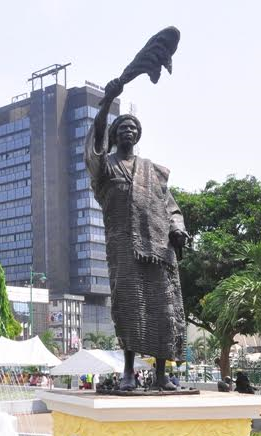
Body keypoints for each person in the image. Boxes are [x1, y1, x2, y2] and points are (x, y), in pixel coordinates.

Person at [86, 89, 188, 392]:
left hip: (158, 248)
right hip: (123, 246)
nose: (128, 130)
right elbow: (94, 143)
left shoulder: (153, 172)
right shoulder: (105, 169)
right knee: (130, 308)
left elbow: (170, 207)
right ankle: (129, 372)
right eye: (122, 128)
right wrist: (105, 105)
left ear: (138, 135)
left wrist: (178, 229)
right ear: (114, 136)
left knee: (163, 311)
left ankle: (160, 375)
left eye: (133, 127)